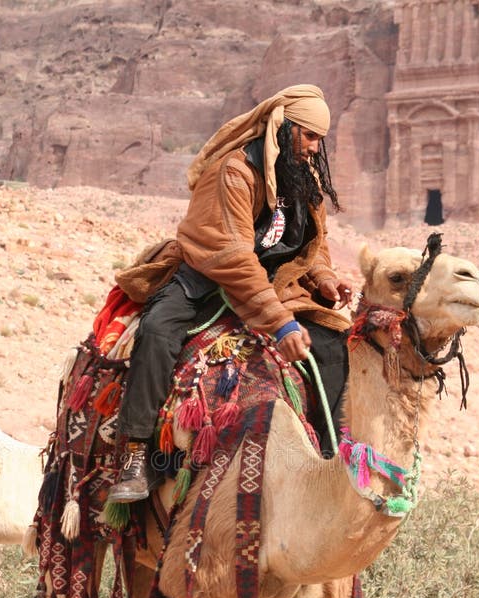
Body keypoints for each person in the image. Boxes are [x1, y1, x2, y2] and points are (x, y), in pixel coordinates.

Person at [109, 83, 352, 503]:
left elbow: (312, 243)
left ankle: (324, 457)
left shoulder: (302, 175)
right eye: (309, 135)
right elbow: (234, 257)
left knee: (333, 344)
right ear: (283, 127)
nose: (315, 147)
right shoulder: (235, 171)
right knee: (158, 330)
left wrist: (324, 277)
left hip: (272, 284)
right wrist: (281, 323)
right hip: (206, 278)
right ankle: (136, 453)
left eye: (319, 139)